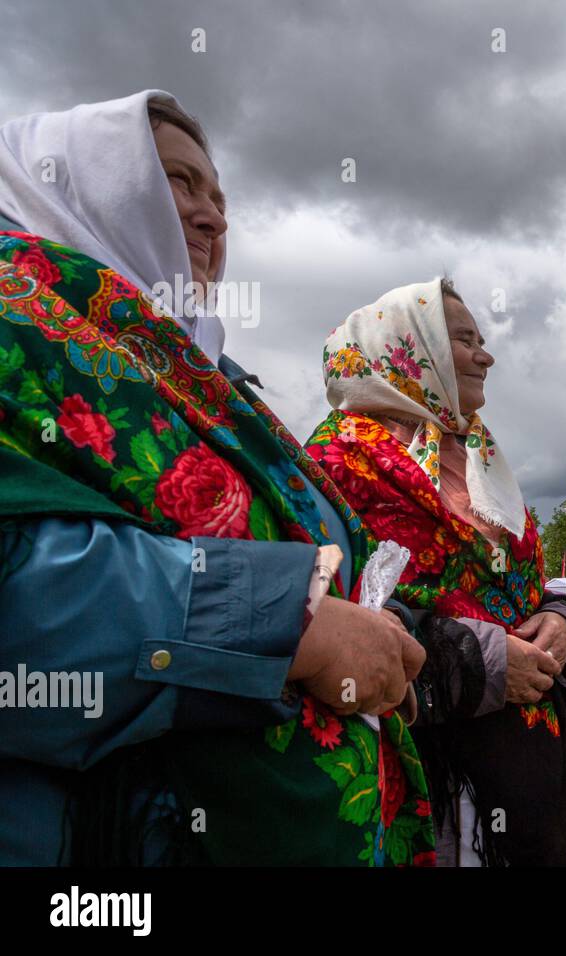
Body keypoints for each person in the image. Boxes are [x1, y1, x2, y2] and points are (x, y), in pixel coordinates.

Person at [0, 92, 441, 865]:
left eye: (220, 197)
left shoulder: (209, 377)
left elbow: (330, 556)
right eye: (177, 181)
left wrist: (378, 626)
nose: (213, 218)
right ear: (75, 184)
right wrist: (290, 624)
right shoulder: (17, 324)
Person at [308, 278, 566, 866]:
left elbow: (517, 585)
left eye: (482, 339)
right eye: (463, 339)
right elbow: (338, 621)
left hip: (534, 751)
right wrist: (489, 661)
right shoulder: (337, 464)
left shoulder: (478, 457)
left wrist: (559, 618)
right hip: (434, 766)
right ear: (406, 347)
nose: (485, 355)